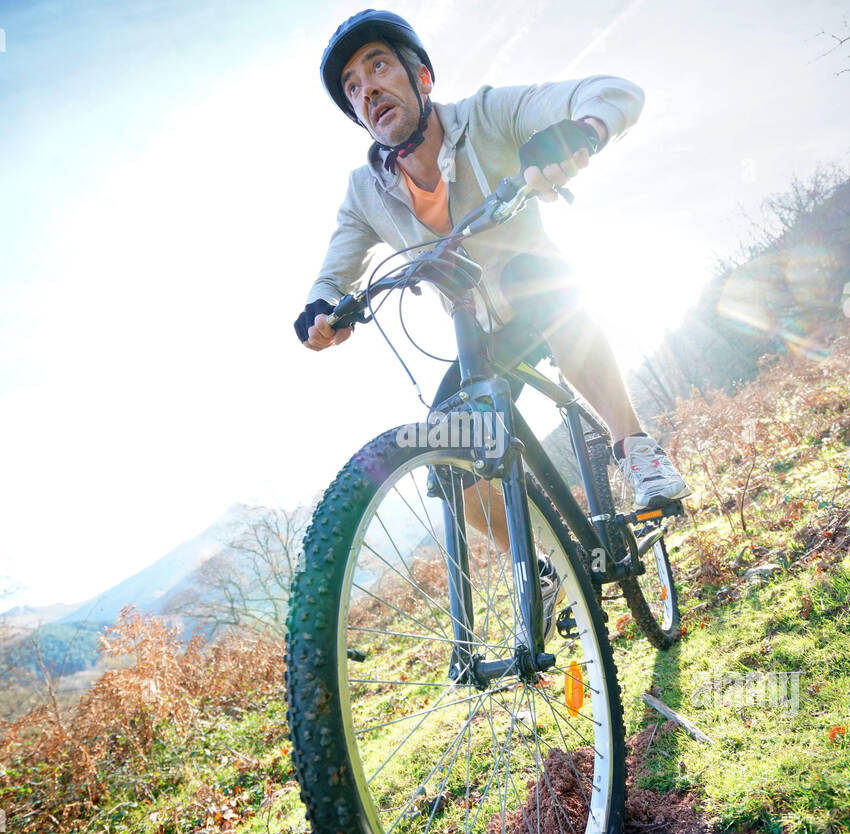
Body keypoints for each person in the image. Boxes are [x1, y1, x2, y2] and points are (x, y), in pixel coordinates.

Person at [295, 9, 692, 534]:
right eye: (352, 87)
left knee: (545, 287)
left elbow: (613, 91)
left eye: (379, 67)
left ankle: (635, 448)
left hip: (539, 289)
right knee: (445, 453)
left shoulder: (487, 114)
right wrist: (323, 309)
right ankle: (550, 572)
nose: (367, 89)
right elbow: (333, 275)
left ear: (422, 78)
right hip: (478, 334)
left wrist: (581, 132)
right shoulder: (364, 192)